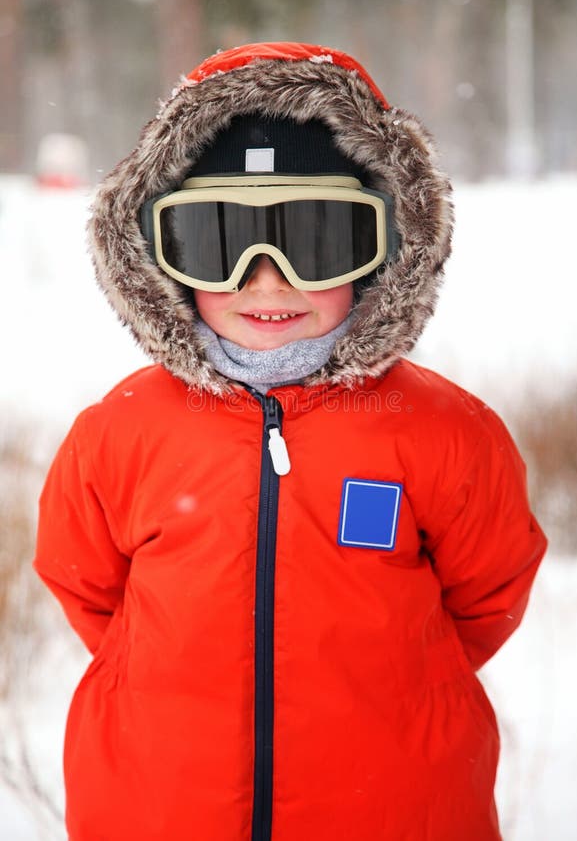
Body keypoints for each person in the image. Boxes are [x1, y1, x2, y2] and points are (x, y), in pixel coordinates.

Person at [35, 42, 547, 841]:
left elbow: (487, 595)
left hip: (390, 807)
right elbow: (89, 590)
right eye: (219, 244)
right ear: (159, 258)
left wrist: (393, 685)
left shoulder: (445, 433)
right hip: (164, 804)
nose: (267, 280)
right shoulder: (120, 432)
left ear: (386, 250)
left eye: (315, 242)